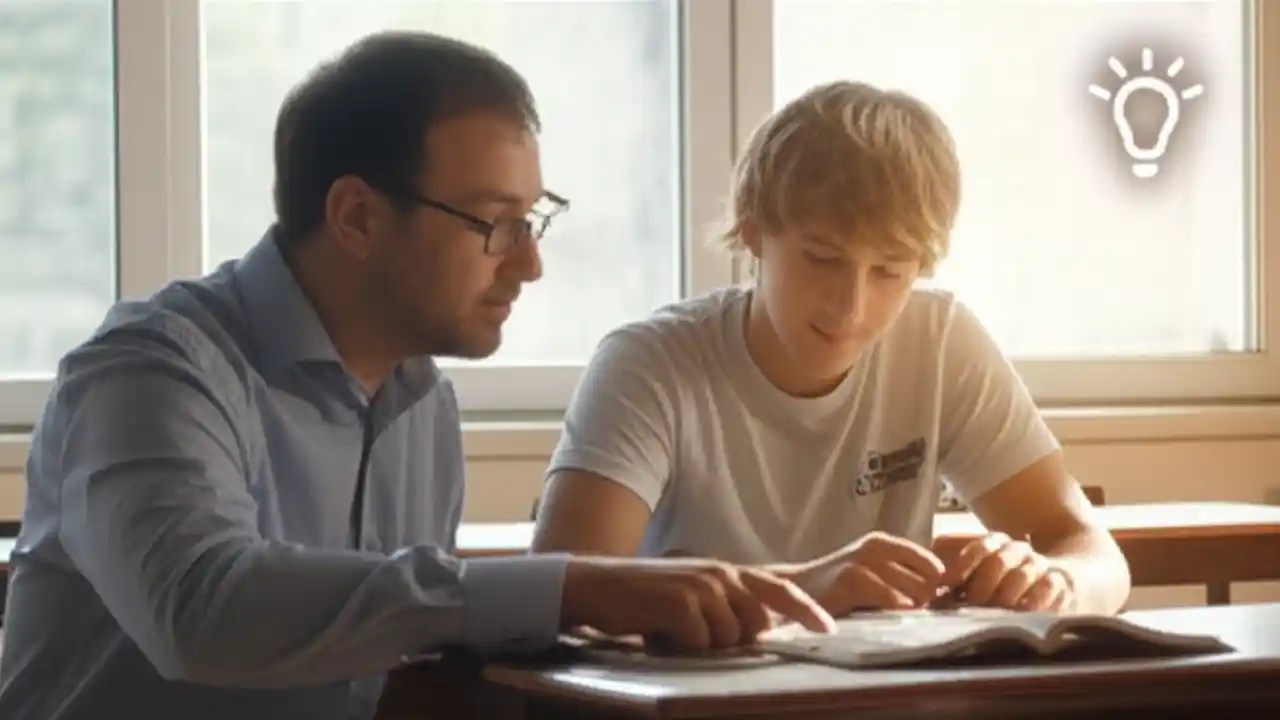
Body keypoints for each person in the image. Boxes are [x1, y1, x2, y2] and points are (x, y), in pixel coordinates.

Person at [0, 32, 834, 720]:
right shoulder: (150, 370)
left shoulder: (421, 404)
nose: (532, 265)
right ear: (358, 216)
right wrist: (573, 586)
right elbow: (200, 610)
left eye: (534, 221)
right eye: (496, 224)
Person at [533, 80, 1132, 618]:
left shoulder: (941, 340)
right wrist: (806, 588)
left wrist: (1054, 583)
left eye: (891, 273)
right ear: (753, 232)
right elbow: (558, 594)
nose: (851, 308)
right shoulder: (649, 364)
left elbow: (1090, 549)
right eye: (823, 259)